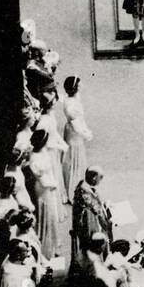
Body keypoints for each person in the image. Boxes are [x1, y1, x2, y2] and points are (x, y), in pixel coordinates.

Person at [25, 129, 60, 261]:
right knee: (46, 213)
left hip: (49, 184)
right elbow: (39, 178)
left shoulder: (43, 151)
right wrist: (52, 184)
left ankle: (53, 244)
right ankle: (46, 248)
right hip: (43, 187)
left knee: (51, 215)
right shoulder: (34, 159)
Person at [70, 166, 112, 272]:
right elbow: (96, 210)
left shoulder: (84, 186)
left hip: (90, 222)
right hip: (88, 225)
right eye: (100, 177)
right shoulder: (84, 192)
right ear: (93, 178)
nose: (101, 180)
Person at [60, 76, 92, 205]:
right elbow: (77, 126)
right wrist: (87, 134)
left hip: (71, 131)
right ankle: (73, 191)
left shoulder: (71, 99)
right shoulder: (71, 106)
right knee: (74, 160)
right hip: (74, 134)